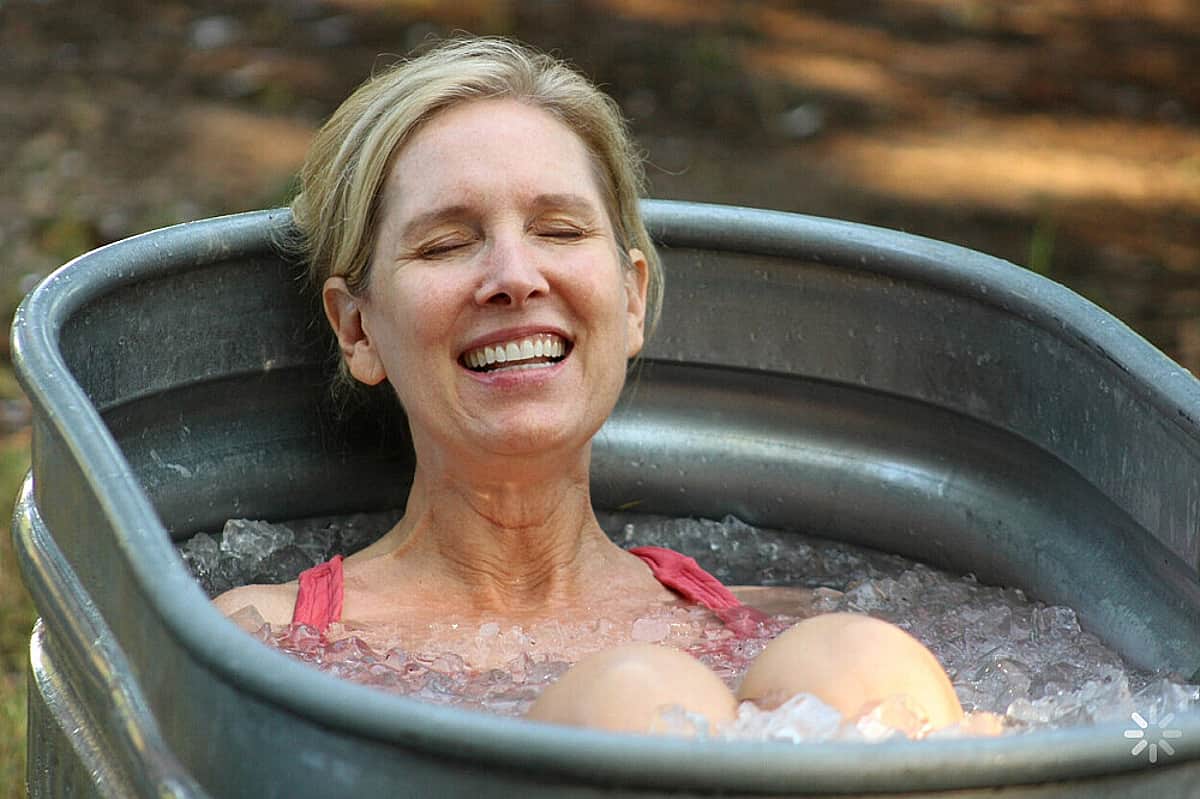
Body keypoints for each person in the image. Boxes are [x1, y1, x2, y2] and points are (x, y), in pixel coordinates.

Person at [215, 36, 982, 739]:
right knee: (634, 697)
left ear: (631, 298)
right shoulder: (262, 641)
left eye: (560, 231)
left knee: (858, 662)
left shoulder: (782, 626)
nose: (515, 278)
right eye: (448, 242)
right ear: (357, 330)